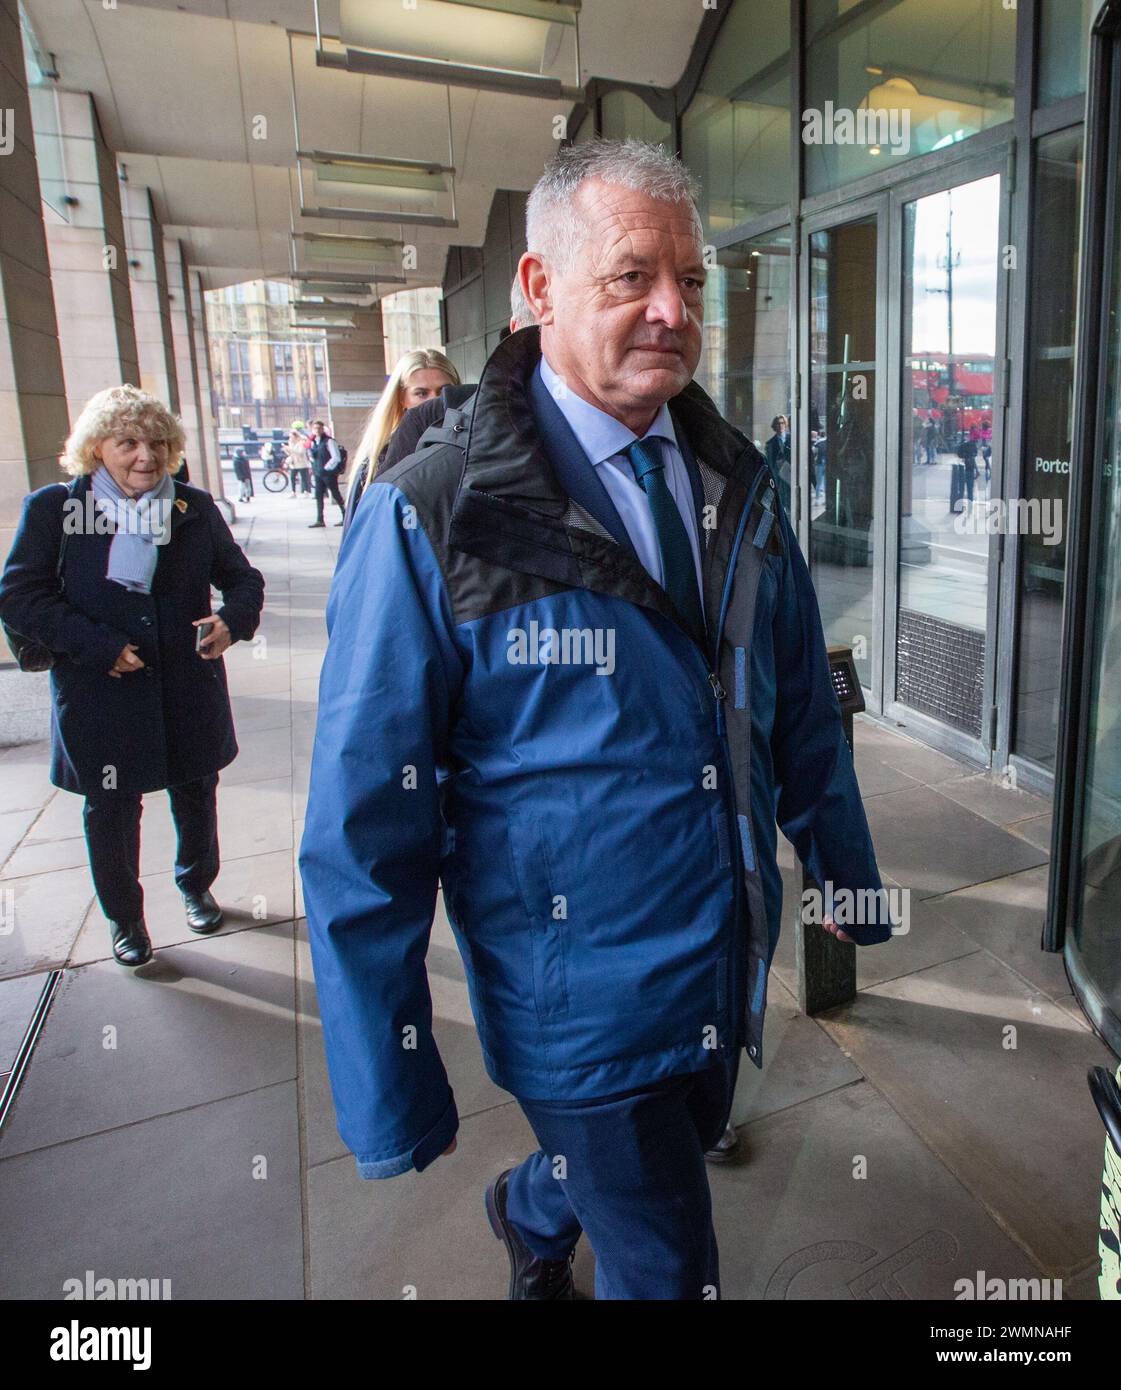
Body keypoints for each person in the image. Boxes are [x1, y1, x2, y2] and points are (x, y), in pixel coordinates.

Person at [299, 139, 892, 1302]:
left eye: (691, 281)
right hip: (575, 998)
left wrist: (846, 876)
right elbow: (363, 825)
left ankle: (528, 1203)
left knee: (636, 1167)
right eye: (631, 277)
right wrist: (390, 1082)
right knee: (666, 1260)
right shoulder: (435, 515)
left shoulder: (736, 480)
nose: (672, 310)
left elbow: (796, 713)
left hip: (725, 950)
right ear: (539, 290)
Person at [0, 385, 265, 967]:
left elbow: (244, 580)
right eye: (128, 443)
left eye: (157, 443)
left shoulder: (191, 509)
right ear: (97, 449)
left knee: (196, 790)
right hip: (103, 693)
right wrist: (98, 646)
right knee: (112, 809)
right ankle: (126, 920)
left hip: (186, 688)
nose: (145, 456)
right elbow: (20, 597)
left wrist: (232, 621)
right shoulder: (56, 509)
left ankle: (196, 885)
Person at [342, 350, 461, 527]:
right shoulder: (379, 460)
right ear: (401, 398)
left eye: (444, 392)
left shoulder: (473, 448)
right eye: (421, 393)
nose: (435, 401)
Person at [307, 419, 345, 528]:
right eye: (315, 428)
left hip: (328, 474)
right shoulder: (314, 442)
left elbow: (336, 457)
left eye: (319, 428)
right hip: (318, 474)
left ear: (323, 429)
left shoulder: (329, 441)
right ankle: (320, 519)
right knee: (318, 496)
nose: (317, 430)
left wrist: (326, 468)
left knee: (336, 494)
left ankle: (345, 515)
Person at [765, 413, 792, 515]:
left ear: (785, 425)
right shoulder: (770, 443)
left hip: (790, 477)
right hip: (778, 478)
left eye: (782, 423)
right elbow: (770, 463)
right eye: (778, 424)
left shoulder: (793, 440)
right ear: (774, 426)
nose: (780, 426)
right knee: (780, 502)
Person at [286, 422, 312, 497]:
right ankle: (293, 492)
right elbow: (290, 453)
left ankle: (306, 491)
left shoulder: (301, 442)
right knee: (292, 477)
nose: (290, 438)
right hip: (294, 463)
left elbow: (301, 452)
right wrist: (286, 449)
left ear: (295, 436)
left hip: (301, 463)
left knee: (304, 478)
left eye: (291, 437)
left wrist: (290, 449)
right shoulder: (291, 443)